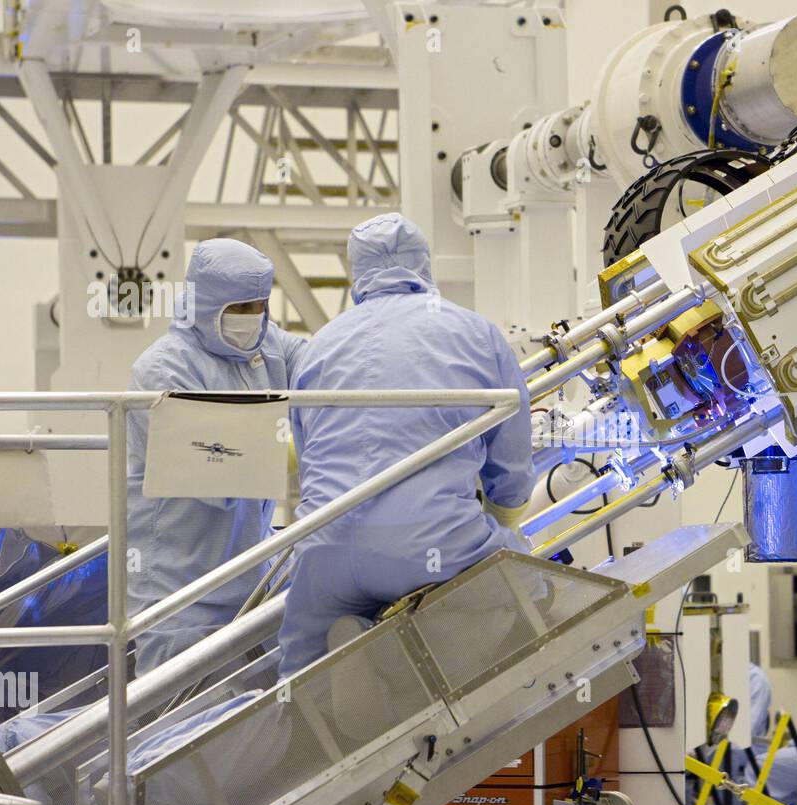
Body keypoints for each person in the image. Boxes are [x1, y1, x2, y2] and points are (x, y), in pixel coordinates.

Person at [275, 213, 533, 679]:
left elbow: (305, 448)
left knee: (301, 685)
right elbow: (511, 465)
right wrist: (503, 519)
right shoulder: (476, 333)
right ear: (424, 264)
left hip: (324, 555)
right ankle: (406, 664)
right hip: (428, 544)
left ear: (358, 272)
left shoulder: (319, 347)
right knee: (524, 587)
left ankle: (348, 651)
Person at [127, 237, 306, 675]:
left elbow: (327, 361)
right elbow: (217, 470)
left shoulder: (265, 346)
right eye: (240, 308)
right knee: (177, 732)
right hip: (179, 599)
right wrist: (305, 451)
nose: (252, 318)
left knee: (254, 733)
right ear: (203, 305)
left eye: (260, 305)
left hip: (248, 591)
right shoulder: (163, 370)